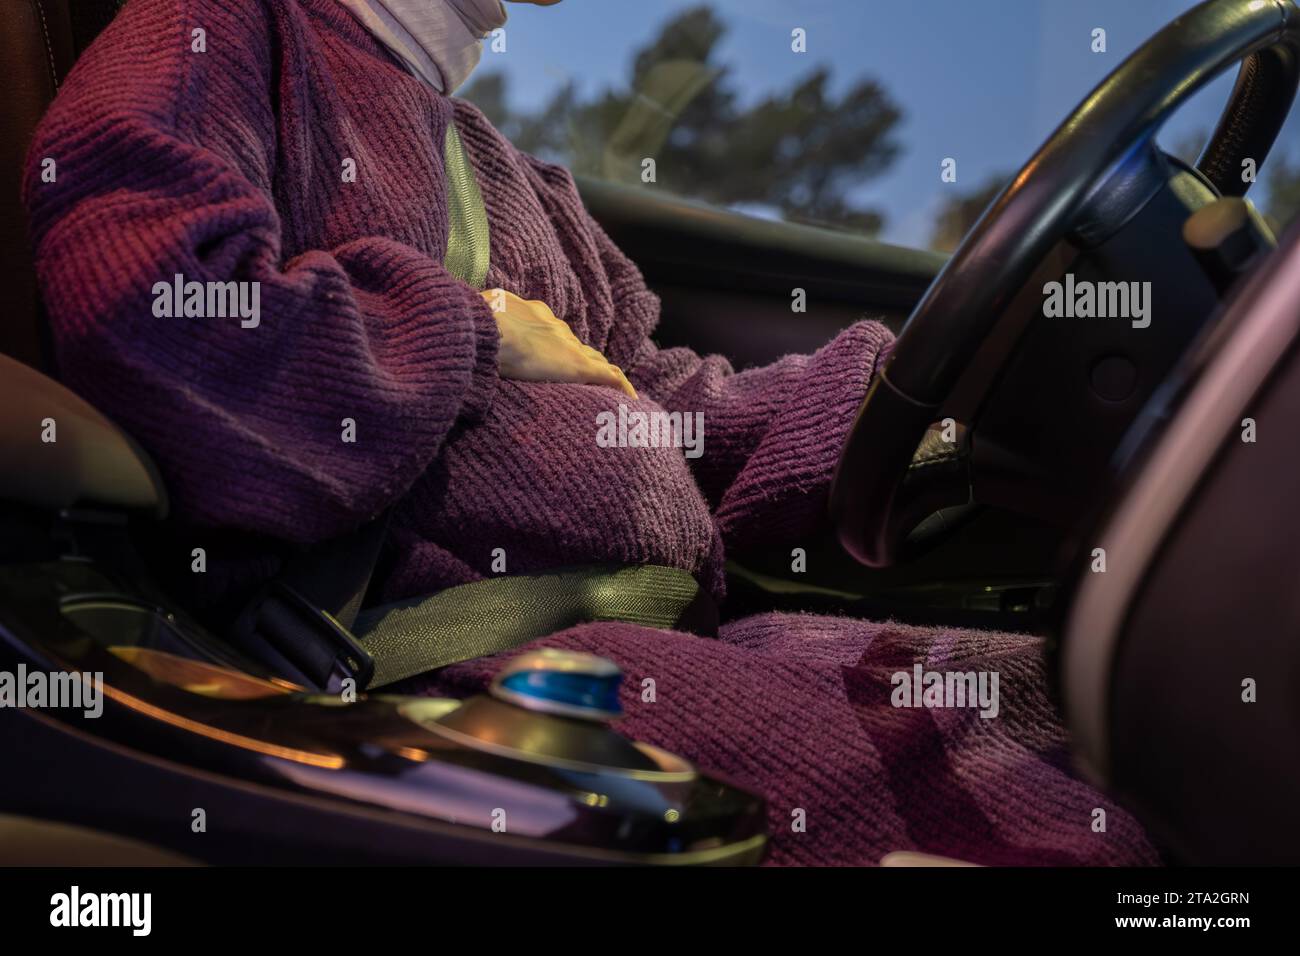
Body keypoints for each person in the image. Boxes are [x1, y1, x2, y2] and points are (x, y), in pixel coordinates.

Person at [22, 0, 1157, 865]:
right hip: (462, 672)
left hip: (688, 644)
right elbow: (160, 315)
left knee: (1113, 706)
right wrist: (471, 328)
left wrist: (935, 397)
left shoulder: (518, 181)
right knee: (1052, 811)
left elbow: (666, 409)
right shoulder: (223, 33)